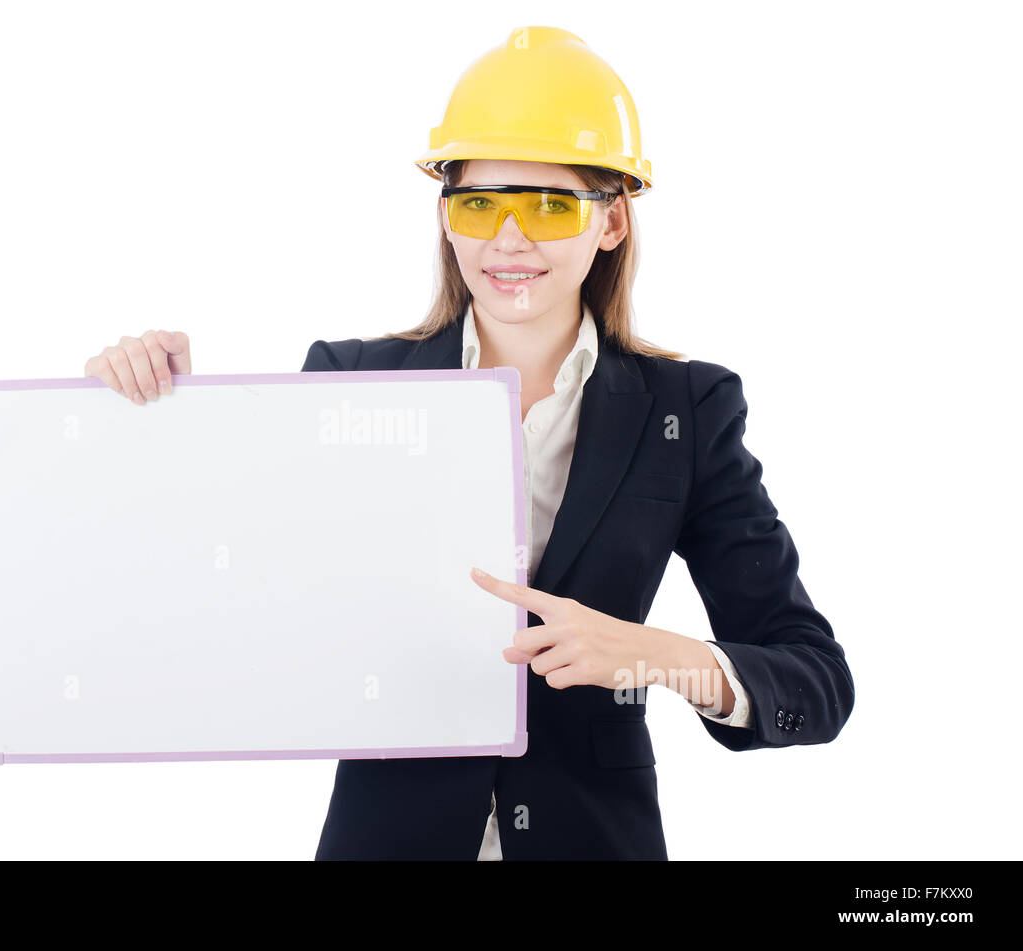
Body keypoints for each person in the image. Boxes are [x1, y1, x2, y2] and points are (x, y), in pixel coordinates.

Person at [84, 26, 854, 860]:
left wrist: (653, 655)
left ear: (613, 221)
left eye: (550, 204)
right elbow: (234, 589)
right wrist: (170, 424)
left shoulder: (689, 409)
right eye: (479, 203)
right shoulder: (351, 381)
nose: (509, 239)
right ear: (446, 217)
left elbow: (815, 680)